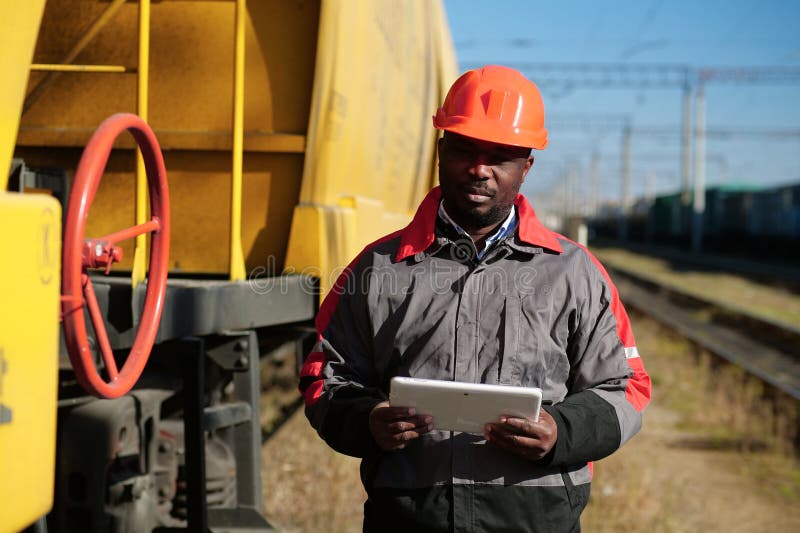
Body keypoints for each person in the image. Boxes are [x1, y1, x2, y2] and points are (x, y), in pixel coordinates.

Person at [299, 65, 651, 533]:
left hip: (535, 521)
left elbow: (627, 387)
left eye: (500, 156)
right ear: (441, 151)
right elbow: (325, 376)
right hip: (408, 518)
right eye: (465, 149)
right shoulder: (377, 268)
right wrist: (367, 421)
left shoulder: (575, 272)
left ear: (527, 166)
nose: (479, 169)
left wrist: (560, 432)